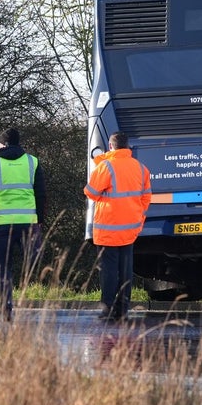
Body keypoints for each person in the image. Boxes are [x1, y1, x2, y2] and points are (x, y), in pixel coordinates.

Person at [83, 131, 151, 322]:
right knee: (126, 270)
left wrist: (100, 161)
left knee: (109, 271)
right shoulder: (140, 168)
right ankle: (122, 311)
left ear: (110, 146)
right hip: (130, 228)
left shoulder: (105, 166)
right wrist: (138, 217)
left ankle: (107, 309)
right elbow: (146, 197)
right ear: (128, 146)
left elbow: (91, 193)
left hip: (108, 228)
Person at [0, 127, 46, 322]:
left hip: (0, 224)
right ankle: (26, 304)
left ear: (3, 144)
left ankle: (6, 308)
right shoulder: (32, 162)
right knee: (29, 267)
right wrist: (39, 220)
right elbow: (41, 194)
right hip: (28, 223)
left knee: (3, 266)